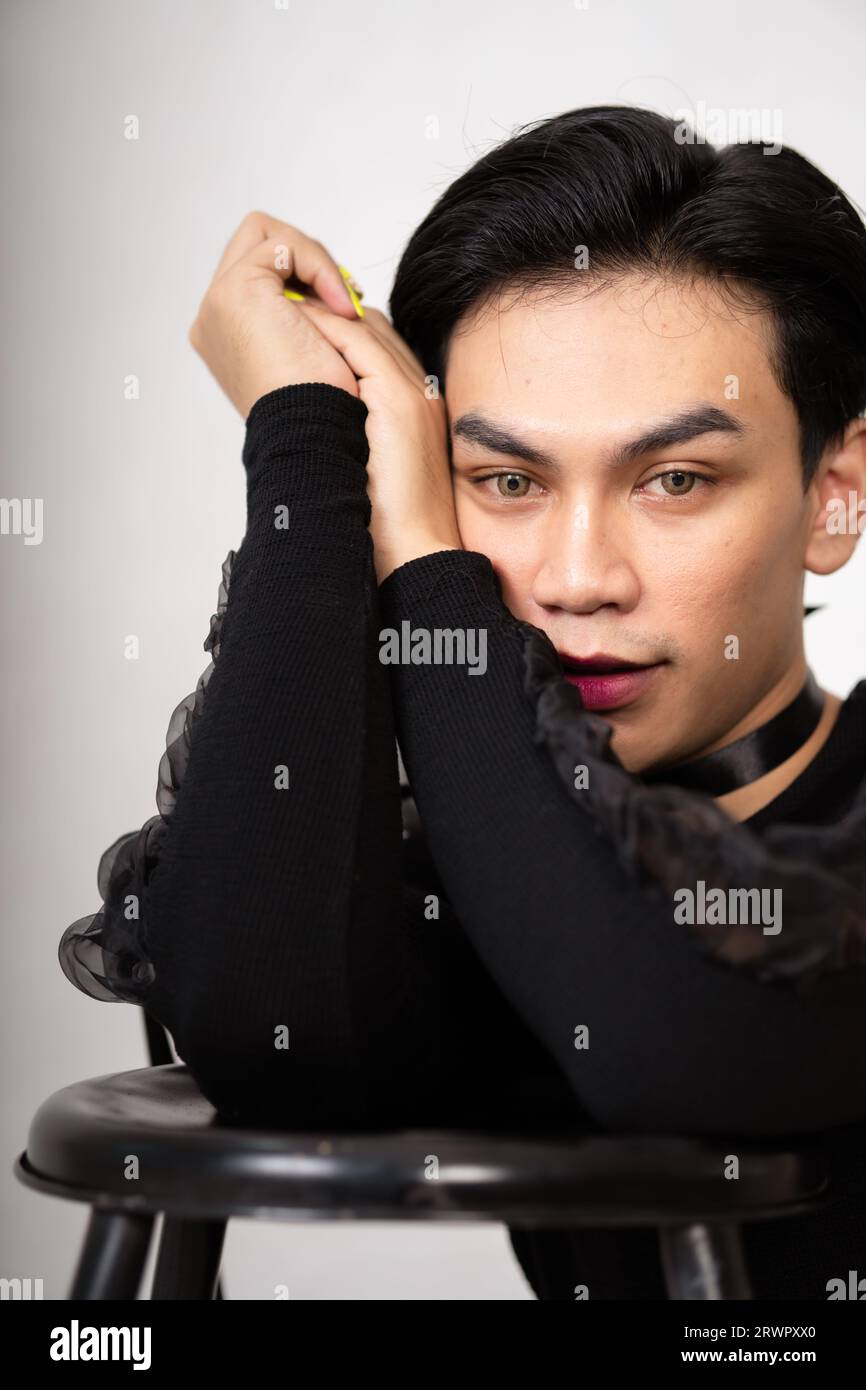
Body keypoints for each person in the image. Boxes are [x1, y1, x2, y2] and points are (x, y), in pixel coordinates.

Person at [60, 106, 866, 1300]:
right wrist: (307, 444)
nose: (577, 578)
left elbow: (664, 1050)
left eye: (675, 479)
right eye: (501, 480)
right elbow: (260, 1031)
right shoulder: (478, 840)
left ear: (833, 495)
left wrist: (444, 587)